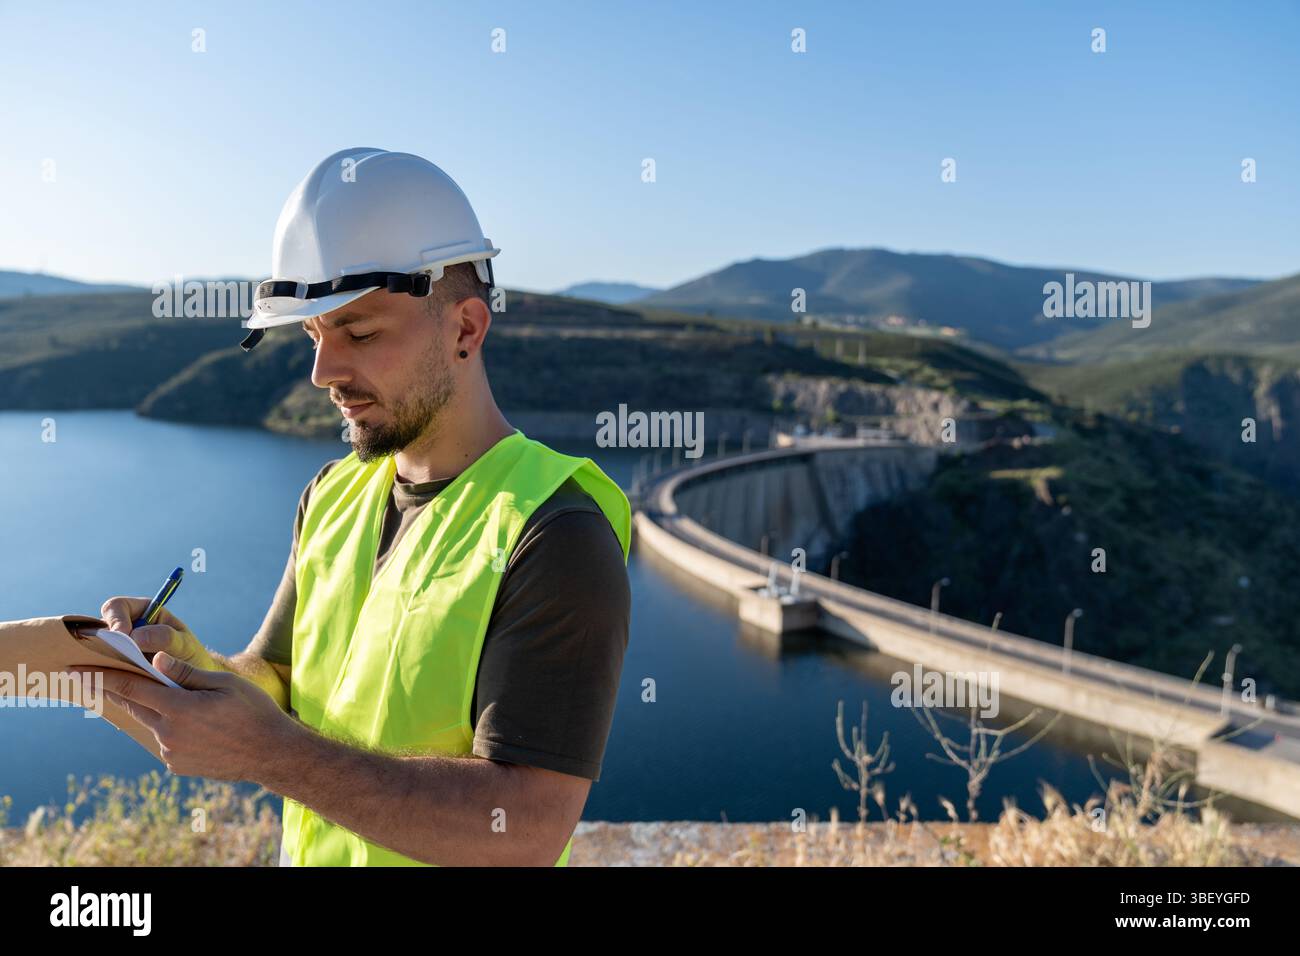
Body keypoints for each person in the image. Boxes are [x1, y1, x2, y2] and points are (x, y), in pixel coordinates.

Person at [84, 148, 632, 867]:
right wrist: (184, 664)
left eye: (360, 333)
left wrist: (274, 757)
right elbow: (275, 676)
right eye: (313, 335)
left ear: (466, 329)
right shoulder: (332, 494)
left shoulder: (554, 532)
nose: (322, 373)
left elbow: (524, 826)